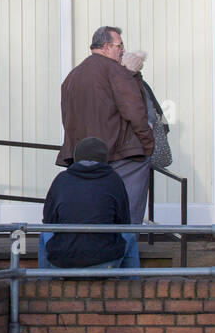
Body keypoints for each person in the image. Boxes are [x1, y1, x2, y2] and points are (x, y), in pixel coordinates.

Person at [59, 25, 154, 227]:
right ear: (105, 47)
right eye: (120, 46)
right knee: (127, 217)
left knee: (94, 212)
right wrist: (147, 145)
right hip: (119, 154)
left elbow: (67, 117)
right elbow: (136, 112)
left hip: (81, 157)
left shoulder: (72, 76)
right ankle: (126, 253)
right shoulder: (116, 72)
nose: (123, 51)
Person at [39, 137, 136, 270]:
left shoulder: (61, 180)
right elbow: (124, 222)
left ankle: (43, 284)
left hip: (62, 262)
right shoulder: (114, 180)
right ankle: (131, 286)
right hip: (105, 263)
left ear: (76, 158)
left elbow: (48, 221)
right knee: (130, 234)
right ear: (104, 159)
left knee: (44, 233)